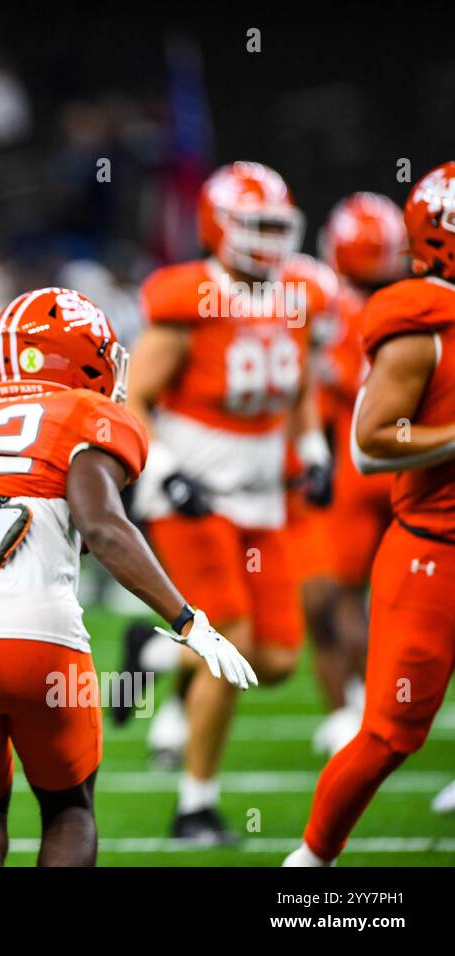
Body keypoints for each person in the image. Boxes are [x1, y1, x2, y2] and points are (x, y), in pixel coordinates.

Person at [0, 287, 256, 866]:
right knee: (68, 807)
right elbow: (103, 527)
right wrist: (188, 620)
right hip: (41, 638)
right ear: (81, 355)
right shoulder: (86, 415)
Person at [123, 162, 334, 843]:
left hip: (263, 498)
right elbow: (135, 395)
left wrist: (317, 451)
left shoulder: (300, 293)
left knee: (274, 660)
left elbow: (299, 386)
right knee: (231, 645)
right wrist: (164, 466)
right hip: (195, 493)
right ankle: (195, 806)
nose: (270, 241)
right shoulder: (189, 298)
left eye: (278, 227)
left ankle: (152, 655)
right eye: (256, 226)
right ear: (218, 227)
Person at [285, 161, 455, 865]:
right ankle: (312, 860)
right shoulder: (422, 324)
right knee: (389, 733)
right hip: (434, 550)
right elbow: (373, 443)